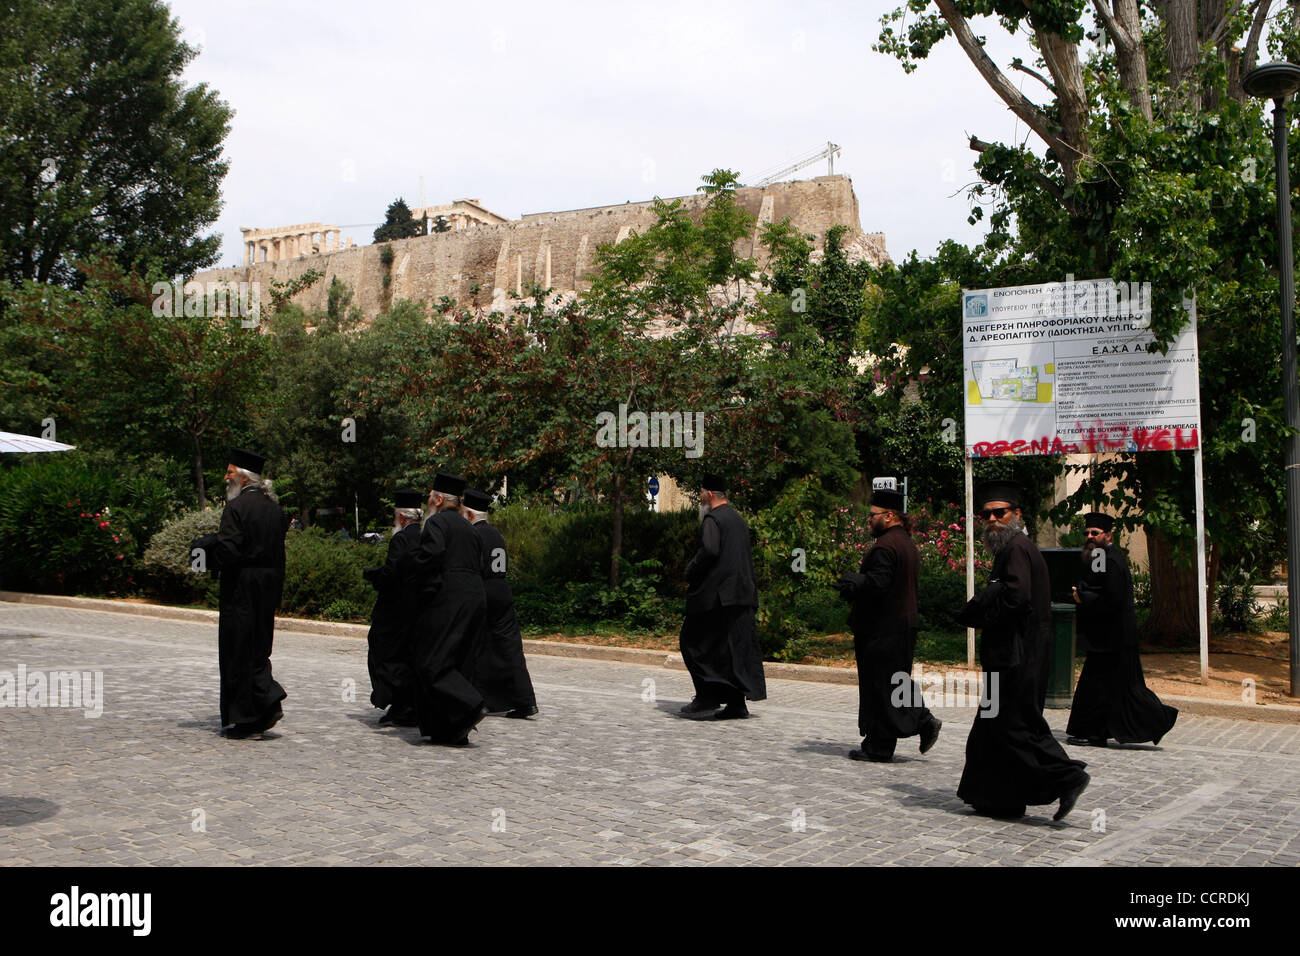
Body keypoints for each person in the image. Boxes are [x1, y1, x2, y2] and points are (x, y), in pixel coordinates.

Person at [956, 479, 1090, 821]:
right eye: (985, 515)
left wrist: (983, 609)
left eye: (998, 513)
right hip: (1018, 653)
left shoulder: (1016, 548)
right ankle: (1000, 798)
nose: (991, 520)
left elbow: (1015, 597)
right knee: (992, 725)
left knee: (1014, 724)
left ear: (1016, 514)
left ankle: (1067, 776)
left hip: (1018, 657)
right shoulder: (1017, 547)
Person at [835, 484, 941, 762]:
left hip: (884, 629)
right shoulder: (904, 543)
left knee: (883, 685)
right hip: (899, 626)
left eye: (873, 515)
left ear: (890, 516)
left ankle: (921, 720)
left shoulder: (886, 547)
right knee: (889, 684)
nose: (868, 520)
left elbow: (878, 585)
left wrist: (855, 582)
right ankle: (879, 745)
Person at [192, 448, 289, 739]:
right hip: (267, 588)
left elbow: (229, 550)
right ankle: (262, 711)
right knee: (258, 650)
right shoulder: (275, 509)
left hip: (242, 590)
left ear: (244, 479)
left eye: (230, 472)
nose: (226, 477)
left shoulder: (236, 509)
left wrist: (208, 546)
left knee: (237, 651)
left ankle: (250, 715)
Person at [1066, 511, 1178, 747]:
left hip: (1115, 637)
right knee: (1106, 687)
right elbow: (1094, 585)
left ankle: (1157, 720)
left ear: (1107, 535)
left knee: (1111, 686)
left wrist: (1083, 598)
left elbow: (1112, 599)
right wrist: (1083, 593)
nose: (1089, 537)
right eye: (1086, 533)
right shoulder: (1099, 556)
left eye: (1095, 533)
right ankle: (1094, 732)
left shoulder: (1111, 559)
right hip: (1105, 637)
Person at [409, 473, 489, 745]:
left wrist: (413, 572)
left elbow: (431, 557)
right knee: (460, 660)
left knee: (431, 661)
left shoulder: (437, 523)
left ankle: (471, 705)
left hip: (449, 597)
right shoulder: (470, 528)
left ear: (440, 499)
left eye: (430, 495)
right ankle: (452, 729)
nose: (428, 500)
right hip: (476, 596)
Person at [679, 474, 766, 719]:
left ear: (709, 494)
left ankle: (707, 697)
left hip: (717, 597)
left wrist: (691, 570)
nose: (700, 496)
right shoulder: (738, 520)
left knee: (692, 642)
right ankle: (737, 704)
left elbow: (709, 549)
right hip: (741, 594)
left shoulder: (713, 519)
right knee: (731, 650)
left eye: (701, 492)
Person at [462, 488, 539, 719]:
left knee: (476, 647)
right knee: (509, 648)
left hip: (483, 590)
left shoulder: (472, 535)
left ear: (469, 515)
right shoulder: (496, 534)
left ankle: (478, 701)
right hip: (502, 591)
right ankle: (525, 700)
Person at [363, 489, 424, 726]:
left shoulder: (401, 538)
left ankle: (397, 703)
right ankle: (409, 704)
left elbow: (393, 572)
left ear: (401, 518)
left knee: (384, 653)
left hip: (395, 609)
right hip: (416, 607)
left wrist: (372, 575)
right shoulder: (425, 535)